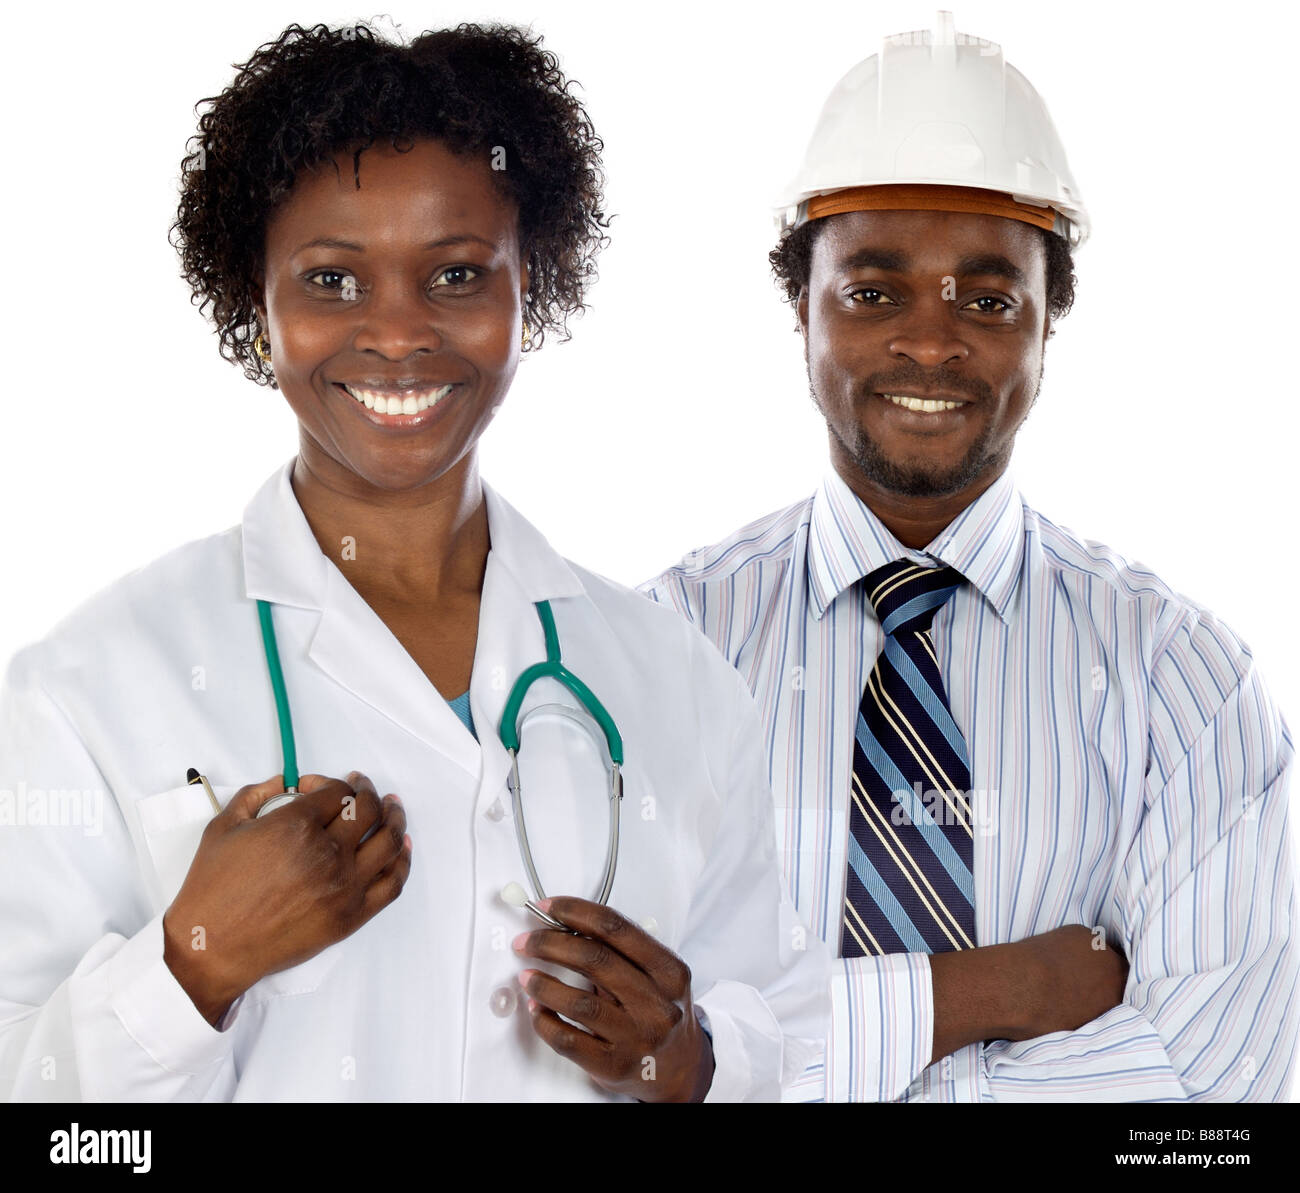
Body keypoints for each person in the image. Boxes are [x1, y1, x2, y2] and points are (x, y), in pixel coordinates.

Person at [0, 20, 827, 1102]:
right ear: (258, 304)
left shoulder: (677, 682)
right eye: (332, 280)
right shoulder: (87, 687)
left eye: (456, 274)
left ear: (533, 288)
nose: (396, 332)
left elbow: (788, 1028)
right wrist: (192, 964)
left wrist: (686, 1058)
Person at [641, 11, 1297, 1101]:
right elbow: (598, 1056)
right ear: (798, 307)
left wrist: (759, 1058)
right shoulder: (661, 647)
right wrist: (984, 991)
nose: (932, 340)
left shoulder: (1183, 681)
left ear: (1049, 327)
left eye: (988, 299)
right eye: (873, 290)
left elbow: (1209, 1103)